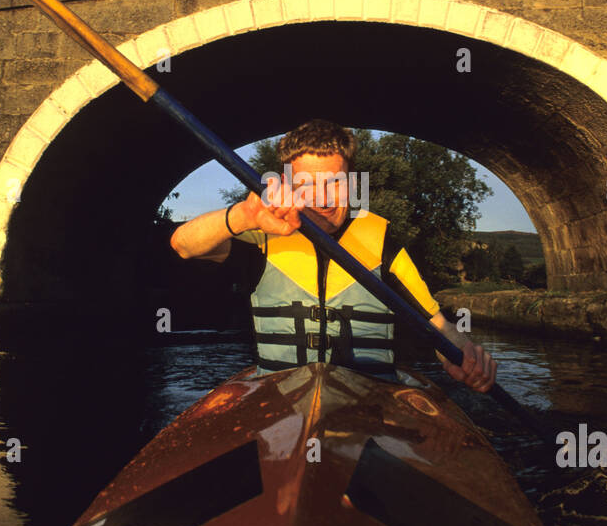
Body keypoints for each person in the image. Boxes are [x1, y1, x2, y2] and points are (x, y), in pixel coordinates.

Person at [169, 120, 497, 392]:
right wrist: (242, 216)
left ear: (352, 183)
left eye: (335, 183)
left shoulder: (383, 244)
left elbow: (437, 324)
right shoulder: (259, 237)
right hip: (277, 395)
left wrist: (465, 352)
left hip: (371, 397)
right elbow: (183, 244)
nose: (323, 198)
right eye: (308, 185)